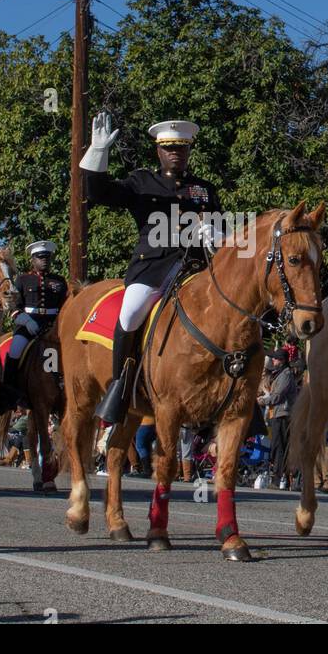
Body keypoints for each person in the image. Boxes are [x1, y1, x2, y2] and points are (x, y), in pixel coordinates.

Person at [79, 112, 223, 428]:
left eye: (182, 148)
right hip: (153, 269)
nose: (176, 154)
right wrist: (98, 153)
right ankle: (120, 386)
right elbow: (98, 193)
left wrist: (217, 236)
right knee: (130, 314)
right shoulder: (142, 182)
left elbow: (224, 230)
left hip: (198, 271)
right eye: (170, 148)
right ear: (159, 151)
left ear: (188, 151)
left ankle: (237, 398)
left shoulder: (204, 189)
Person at [0, 240, 68, 412]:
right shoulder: (22, 280)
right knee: (15, 350)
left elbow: (65, 307)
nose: (44, 260)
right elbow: (13, 307)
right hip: (28, 324)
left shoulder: (59, 281)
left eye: (47, 257)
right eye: (40, 257)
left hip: (53, 327)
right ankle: (8, 392)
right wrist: (25, 320)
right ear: (32, 260)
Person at [257, 349, 298, 489]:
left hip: (283, 415)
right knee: (277, 447)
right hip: (276, 414)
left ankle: (278, 479)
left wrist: (261, 401)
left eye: (276, 359)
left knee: (279, 447)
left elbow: (277, 396)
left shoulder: (285, 375)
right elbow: (266, 371)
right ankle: (281, 478)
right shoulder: (278, 374)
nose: (273, 361)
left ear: (283, 361)